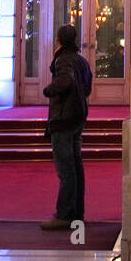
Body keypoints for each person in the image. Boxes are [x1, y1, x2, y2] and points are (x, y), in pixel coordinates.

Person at [41, 24, 92, 230]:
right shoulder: (81, 60)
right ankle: (76, 211)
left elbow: (65, 82)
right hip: (78, 115)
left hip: (64, 118)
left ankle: (65, 214)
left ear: (59, 40)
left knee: (66, 168)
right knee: (75, 165)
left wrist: (48, 90)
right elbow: (87, 86)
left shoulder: (63, 60)